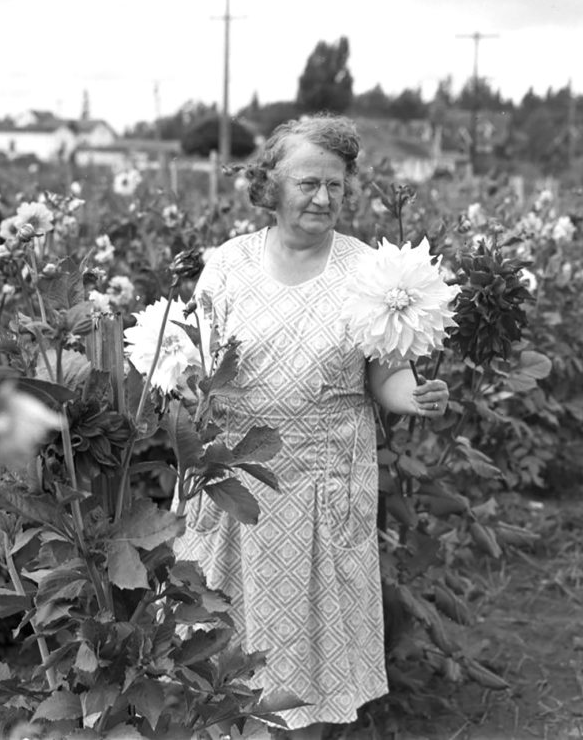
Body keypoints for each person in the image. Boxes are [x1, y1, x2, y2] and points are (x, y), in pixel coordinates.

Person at [175, 115, 450, 740]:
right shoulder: (227, 265)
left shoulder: (368, 272)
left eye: (336, 185)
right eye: (308, 183)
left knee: (308, 659)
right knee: (217, 638)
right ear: (271, 184)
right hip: (232, 483)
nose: (324, 198)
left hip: (320, 488)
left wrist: (415, 398)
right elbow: (194, 363)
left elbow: (386, 377)